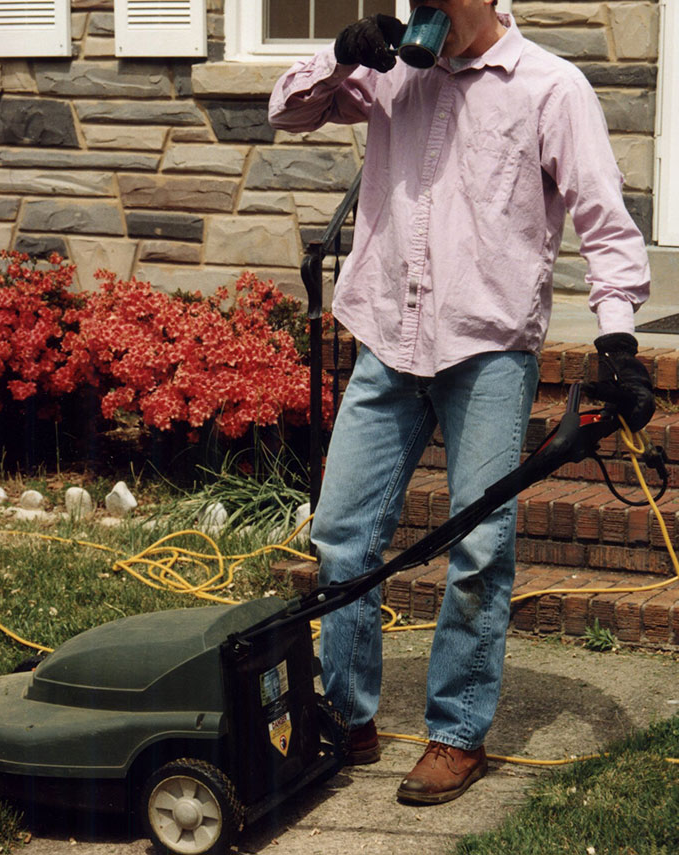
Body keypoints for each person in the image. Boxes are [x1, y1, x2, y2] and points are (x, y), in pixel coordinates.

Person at [268, 0, 655, 805]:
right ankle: (347, 714)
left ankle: (456, 733)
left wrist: (616, 338)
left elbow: (606, 223)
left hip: (487, 349)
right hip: (385, 338)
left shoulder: (550, 88)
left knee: (479, 549)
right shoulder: (395, 73)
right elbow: (288, 112)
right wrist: (343, 57)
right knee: (342, 536)